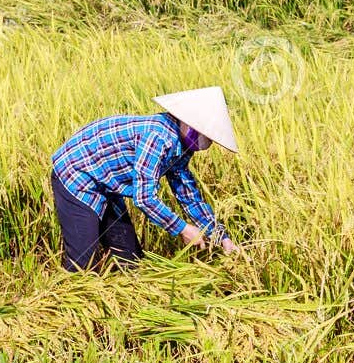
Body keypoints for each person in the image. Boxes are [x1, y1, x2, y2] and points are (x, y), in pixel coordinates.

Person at [50, 86, 241, 272]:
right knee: (83, 261)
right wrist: (183, 229)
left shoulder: (182, 148)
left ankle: (124, 302)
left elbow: (188, 195)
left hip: (108, 182)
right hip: (76, 173)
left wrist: (221, 237)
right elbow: (144, 198)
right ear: (185, 119)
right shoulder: (157, 136)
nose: (202, 139)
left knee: (129, 260)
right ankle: (60, 299)